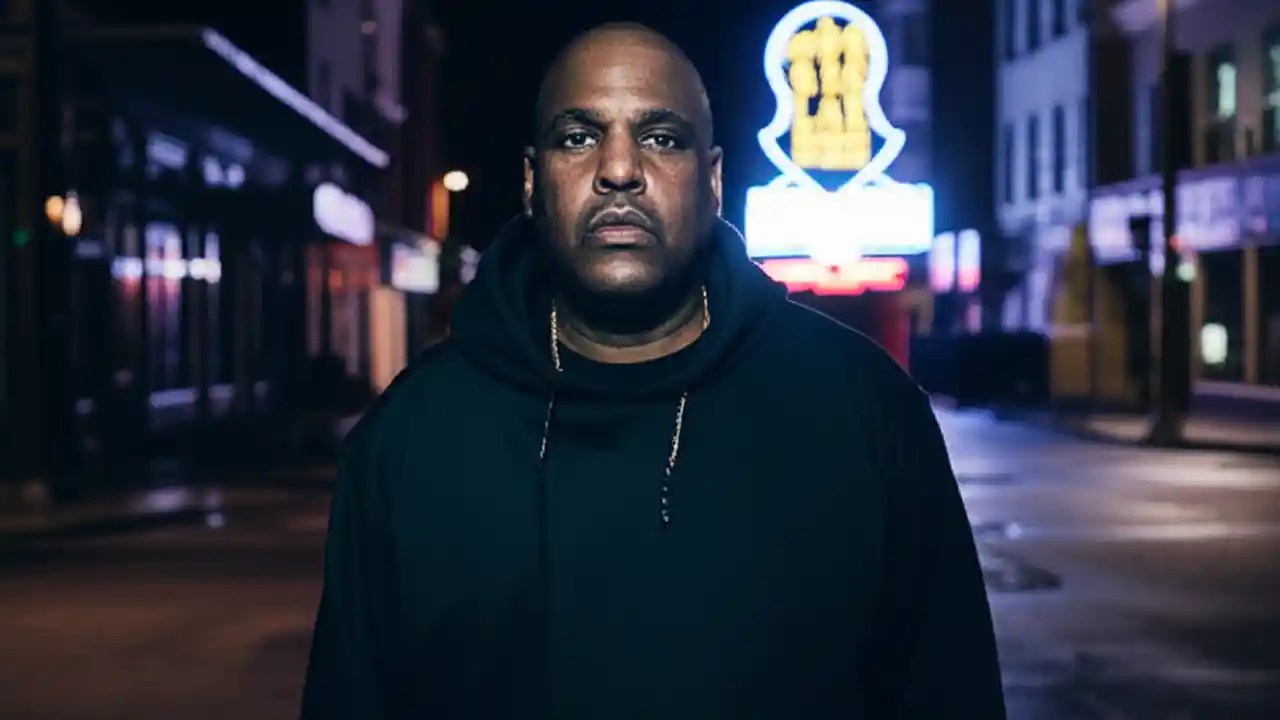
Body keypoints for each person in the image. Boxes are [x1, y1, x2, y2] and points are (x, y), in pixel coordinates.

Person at [300, 22, 1006, 719]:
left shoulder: (863, 410)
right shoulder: (413, 436)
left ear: (714, 180)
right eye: (578, 137)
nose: (618, 168)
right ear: (530, 180)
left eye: (661, 137)